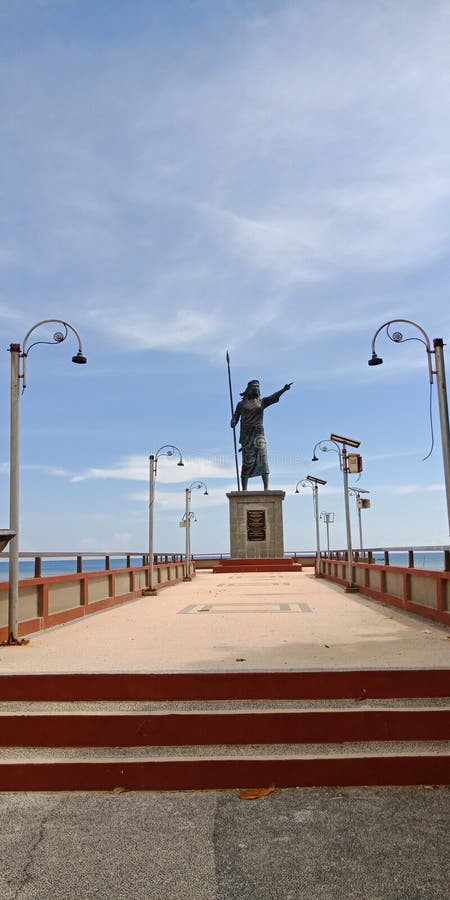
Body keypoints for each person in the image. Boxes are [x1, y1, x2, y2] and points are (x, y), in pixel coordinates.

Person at [231, 380, 292, 491]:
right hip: (247, 436)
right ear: (249, 389)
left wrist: (283, 390)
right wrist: (233, 421)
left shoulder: (262, 402)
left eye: (258, 388)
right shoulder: (241, 404)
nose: (257, 390)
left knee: (263, 460)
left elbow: (273, 397)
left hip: (259, 435)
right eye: (255, 387)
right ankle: (244, 489)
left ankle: (266, 488)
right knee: (247, 462)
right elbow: (235, 418)